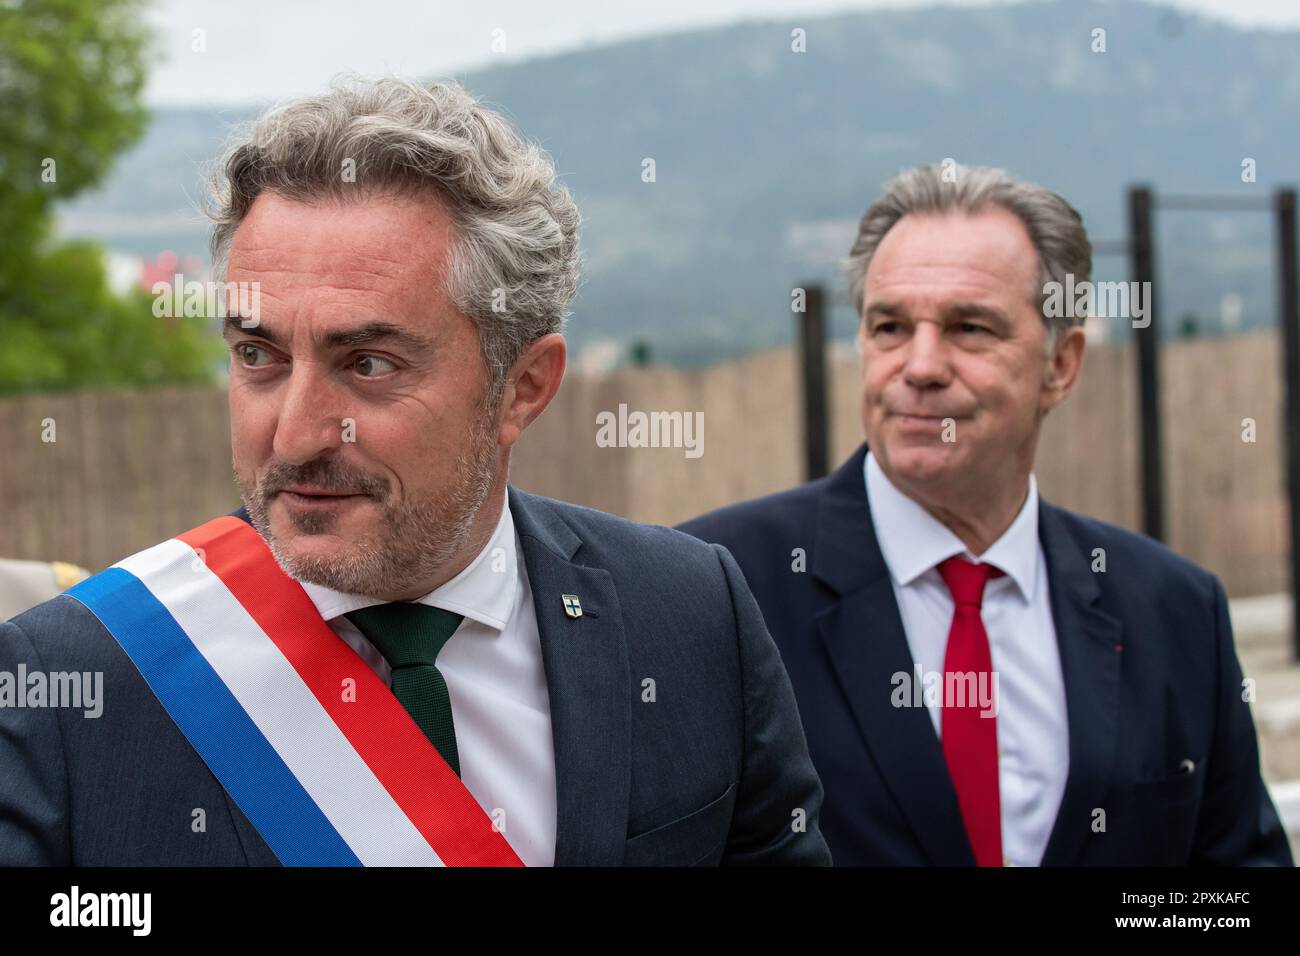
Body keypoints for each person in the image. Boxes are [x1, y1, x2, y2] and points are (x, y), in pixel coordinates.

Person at [0, 77, 829, 867]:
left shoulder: (689, 619)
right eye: (258, 355)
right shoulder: (77, 683)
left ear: (523, 386)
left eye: (368, 363)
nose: (294, 435)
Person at [681, 164, 1292, 866]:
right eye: (889, 326)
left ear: (1061, 364)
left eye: (969, 328)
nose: (920, 365)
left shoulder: (1176, 611)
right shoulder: (717, 592)